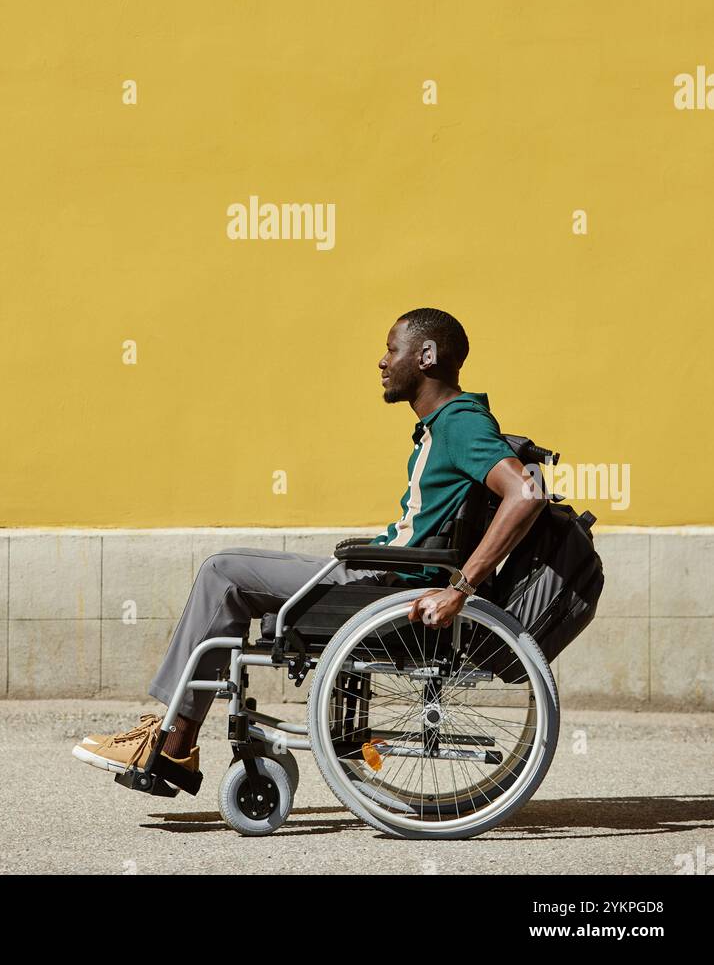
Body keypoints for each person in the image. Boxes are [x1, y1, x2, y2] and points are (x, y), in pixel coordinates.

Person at [72, 306, 545, 783]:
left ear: (425, 356)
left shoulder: (460, 422)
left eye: (390, 349)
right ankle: (177, 739)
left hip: (385, 583)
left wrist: (460, 589)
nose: (381, 362)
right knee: (230, 576)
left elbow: (527, 492)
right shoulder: (445, 424)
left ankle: (172, 738)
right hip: (382, 573)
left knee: (224, 572)